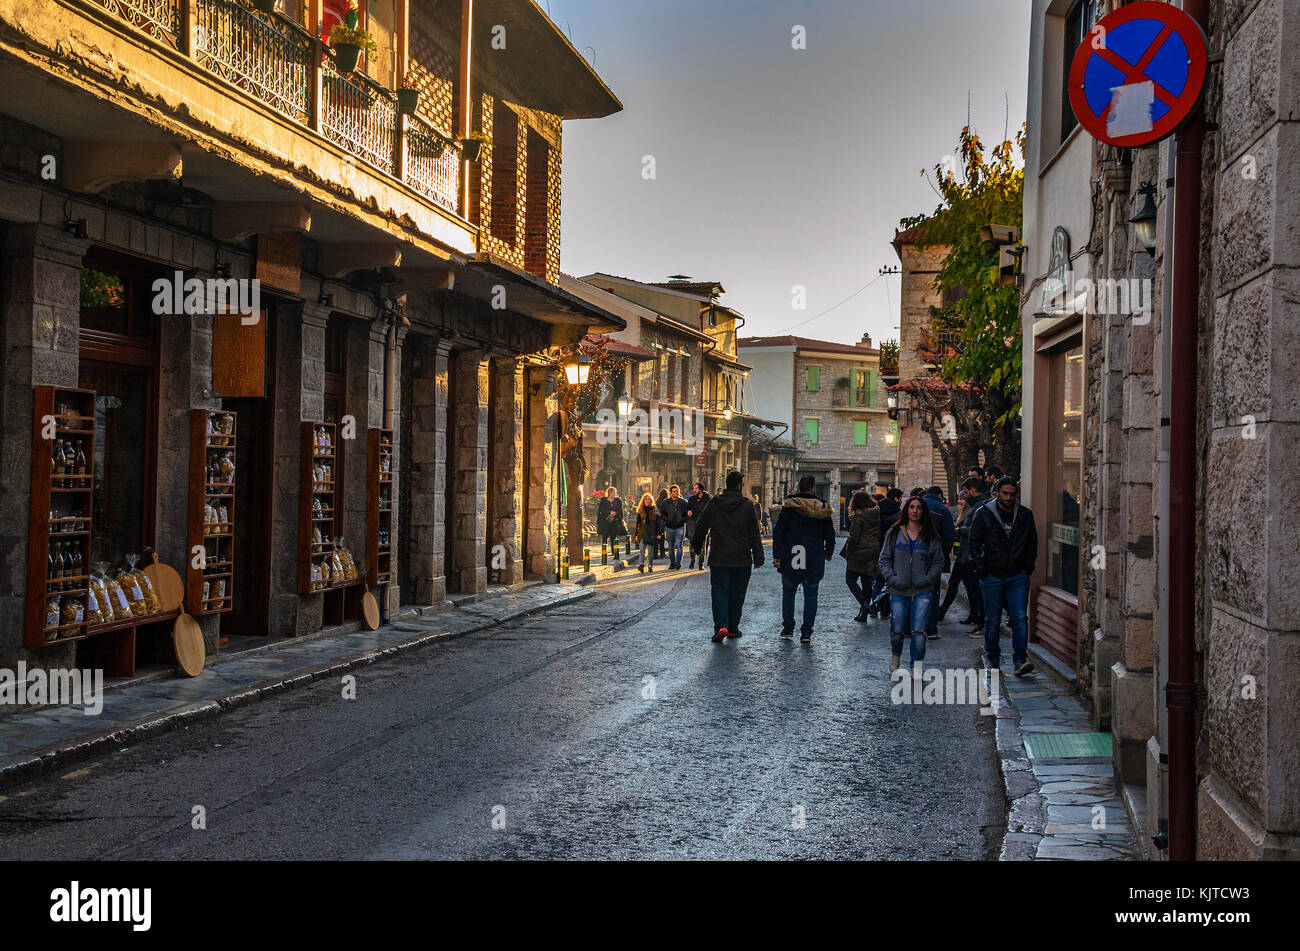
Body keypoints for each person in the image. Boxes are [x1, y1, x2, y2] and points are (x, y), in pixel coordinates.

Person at [968, 476, 1038, 677]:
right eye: (1005, 493)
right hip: (992, 574)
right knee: (992, 619)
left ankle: (1020, 660)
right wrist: (981, 567)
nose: (1008, 497)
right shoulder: (984, 514)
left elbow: (1032, 543)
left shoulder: (1024, 515)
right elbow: (973, 542)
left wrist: (1027, 567)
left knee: (1019, 618)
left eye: (1012, 494)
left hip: (1017, 574)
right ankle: (993, 658)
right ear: (997, 492)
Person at [691, 470, 764, 643]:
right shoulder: (747, 506)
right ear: (739, 485)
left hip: (719, 557)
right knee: (737, 594)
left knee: (719, 592)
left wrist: (696, 546)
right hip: (741, 558)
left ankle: (720, 627)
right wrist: (758, 557)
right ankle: (732, 627)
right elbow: (754, 534)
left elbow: (701, 525)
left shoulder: (715, 503)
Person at [877, 495, 944, 676]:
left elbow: (939, 561)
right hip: (899, 589)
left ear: (923, 511)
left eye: (919, 508)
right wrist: (893, 578)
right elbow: (883, 560)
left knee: (918, 631)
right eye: (912, 507)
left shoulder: (931, 535)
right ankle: (896, 655)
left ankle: (917, 665)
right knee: (897, 629)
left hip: (923, 590)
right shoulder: (894, 533)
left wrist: (928, 578)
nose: (915, 511)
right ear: (906, 510)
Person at [773, 475, 837, 644]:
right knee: (811, 594)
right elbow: (830, 534)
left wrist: (777, 556)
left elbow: (779, 532)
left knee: (789, 592)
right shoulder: (822, 508)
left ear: (799, 487)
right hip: (814, 556)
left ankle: (788, 628)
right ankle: (806, 633)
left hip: (793, 554)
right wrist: (828, 552)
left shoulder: (789, 507)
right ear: (813, 488)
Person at [937, 478, 987, 633]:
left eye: (964, 493)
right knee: (958, 584)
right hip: (965, 555)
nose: (961, 498)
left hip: (970, 555)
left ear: (972, 490)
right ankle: (970, 615)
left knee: (974, 589)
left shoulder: (979, 507)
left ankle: (979, 619)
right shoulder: (974, 507)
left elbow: (976, 531)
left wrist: (960, 530)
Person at [841, 491, 882, 622]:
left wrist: (848, 552)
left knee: (850, 580)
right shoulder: (876, 514)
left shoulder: (858, 517)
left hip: (859, 552)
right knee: (866, 581)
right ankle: (863, 614)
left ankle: (865, 606)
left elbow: (854, 537)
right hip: (873, 550)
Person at [921, 485, 956, 640]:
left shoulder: (916, 506)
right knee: (933, 593)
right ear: (940, 495)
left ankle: (912, 627)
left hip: (915, 556)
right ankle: (931, 629)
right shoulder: (943, 509)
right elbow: (949, 536)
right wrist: (942, 553)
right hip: (935, 557)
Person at [658, 484, 689, 570]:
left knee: (679, 545)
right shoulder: (665, 502)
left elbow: (688, 513)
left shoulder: (684, 502)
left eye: (677, 491)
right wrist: (665, 518)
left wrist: (684, 520)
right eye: (674, 491)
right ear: (671, 493)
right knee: (670, 546)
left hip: (680, 527)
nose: (676, 493)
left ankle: (678, 562)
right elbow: (661, 512)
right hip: (669, 527)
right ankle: (672, 563)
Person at [685, 482, 711, 569]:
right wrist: (688, 511)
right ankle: (692, 560)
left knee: (703, 544)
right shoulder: (692, 499)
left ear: (701, 489)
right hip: (692, 524)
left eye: (696, 488)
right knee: (692, 543)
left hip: (703, 524)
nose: (694, 490)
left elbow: (711, 511)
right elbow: (687, 509)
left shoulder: (707, 499)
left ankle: (701, 564)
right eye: (694, 488)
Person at [634, 493, 662, 574]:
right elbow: (638, 523)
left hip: (652, 532)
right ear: (643, 500)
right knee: (642, 549)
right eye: (646, 499)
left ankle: (650, 565)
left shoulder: (655, 511)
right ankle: (641, 564)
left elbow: (658, 524)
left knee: (650, 551)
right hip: (642, 532)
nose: (647, 500)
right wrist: (636, 534)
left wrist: (659, 533)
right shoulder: (640, 510)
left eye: (649, 499)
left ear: (651, 501)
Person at [597, 487, 626, 552]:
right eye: (613, 492)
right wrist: (609, 512)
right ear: (609, 493)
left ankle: (614, 552)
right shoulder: (604, 500)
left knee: (614, 537)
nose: (614, 494)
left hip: (615, 521)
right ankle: (604, 551)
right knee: (605, 537)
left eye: (615, 493)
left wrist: (615, 513)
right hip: (605, 521)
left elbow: (621, 511)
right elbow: (601, 510)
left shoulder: (618, 501)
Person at [654, 489, 669, 559]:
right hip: (662, 522)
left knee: (657, 538)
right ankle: (662, 553)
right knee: (662, 538)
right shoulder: (665, 502)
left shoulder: (657, 501)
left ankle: (655, 554)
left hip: (656, 522)